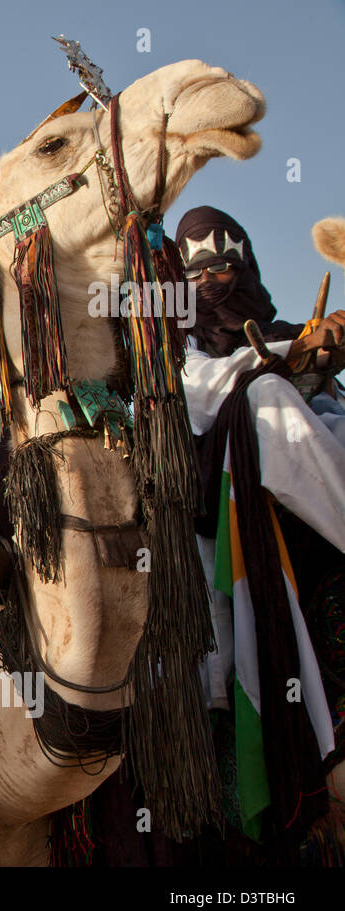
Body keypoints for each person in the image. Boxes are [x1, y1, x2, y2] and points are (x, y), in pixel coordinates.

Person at [174, 206, 345, 852]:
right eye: (198, 273)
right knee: (268, 401)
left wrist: (323, 350)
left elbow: (310, 365)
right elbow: (212, 411)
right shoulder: (184, 365)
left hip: (310, 511)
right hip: (230, 520)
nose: (214, 282)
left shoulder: (283, 332)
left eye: (225, 266)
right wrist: (286, 362)